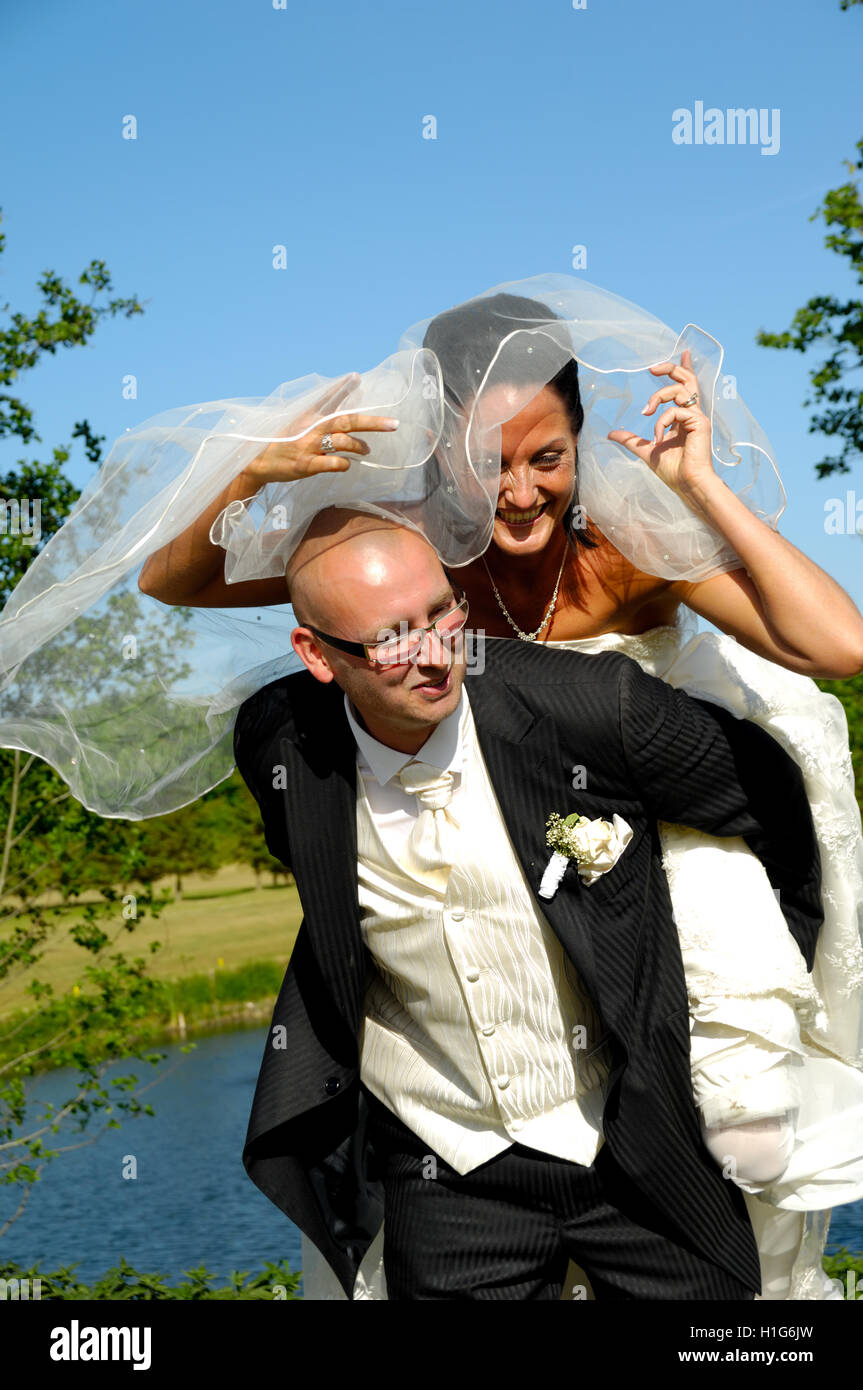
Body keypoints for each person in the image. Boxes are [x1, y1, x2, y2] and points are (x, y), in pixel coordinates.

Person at [137, 278, 863, 1300]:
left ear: (580, 444)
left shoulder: (623, 546)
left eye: (546, 459)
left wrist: (697, 486)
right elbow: (175, 580)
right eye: (487, 465)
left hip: (653, 796)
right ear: (440, 458)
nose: (519, 492)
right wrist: (247, 474)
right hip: (494, 831)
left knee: (721, 1057)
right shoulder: (411, 554)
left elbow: (837, 644)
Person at [232, 503, 824, 1301]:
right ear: (316, 654)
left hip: (636, 1143)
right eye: (393, 636)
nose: (435, 655)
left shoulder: (591, 708)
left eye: (443, 613)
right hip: (446, 1162)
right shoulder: (280, 745)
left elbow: (769, 799)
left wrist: (755, 977)